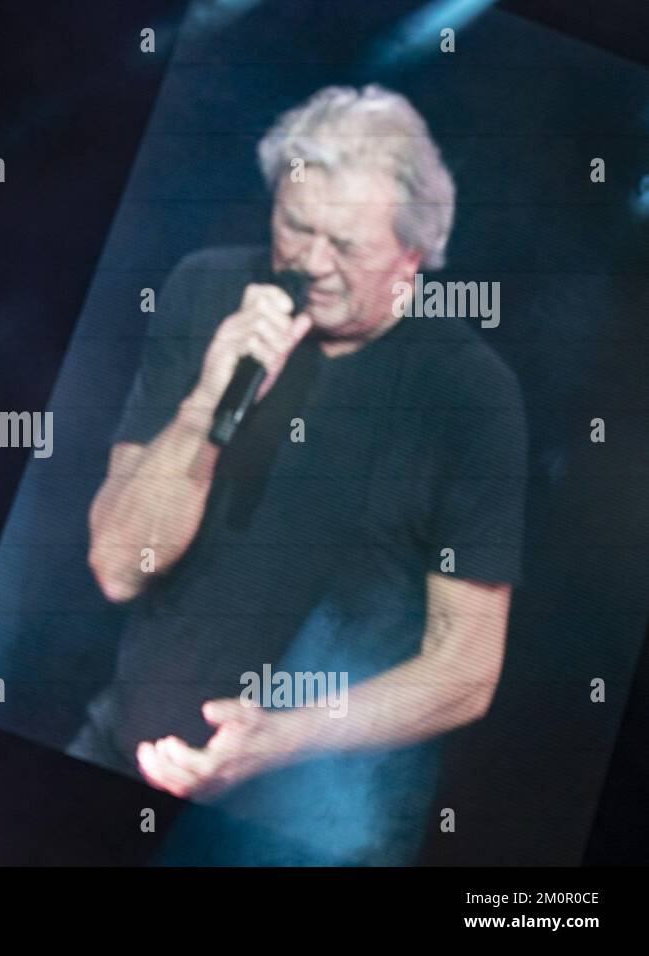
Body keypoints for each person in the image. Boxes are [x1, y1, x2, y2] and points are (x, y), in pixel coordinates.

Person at [69, 85, 527, 865]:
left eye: (345, 244)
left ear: (413, 255)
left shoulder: (468, 393)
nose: (310, 262)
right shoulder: (205, 290)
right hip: (122, 748)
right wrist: (209, 399)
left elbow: (466, 669)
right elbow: (117, 566)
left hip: (310, 823)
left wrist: (282, 738)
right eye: (295, 225)